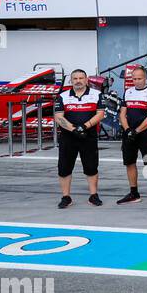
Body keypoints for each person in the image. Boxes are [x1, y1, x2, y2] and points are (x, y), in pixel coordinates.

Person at [54, 69, 104, 209]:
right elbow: (58, 117)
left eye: (81, 78)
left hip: (89, 136)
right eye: (75, 78)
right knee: (64, 168)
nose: (78, 81)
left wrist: (85, 126)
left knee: (91, 167)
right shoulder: (62, 96)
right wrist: (74, 129)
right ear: (71, 81)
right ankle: (66, 197)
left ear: (86, 80)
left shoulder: (97, 94)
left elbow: (100, 114)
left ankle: (93, 195)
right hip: (68, 138)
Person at [117, 66, 147, 206]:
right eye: (134, 79)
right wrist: (128, 129)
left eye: (139, 78)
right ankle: (134, 192)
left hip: (146, 133)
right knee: (129, 162)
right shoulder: (128, 92)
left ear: (145, 78)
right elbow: (122, 113)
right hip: (129, 133)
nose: (136, 81)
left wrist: (137, 130)